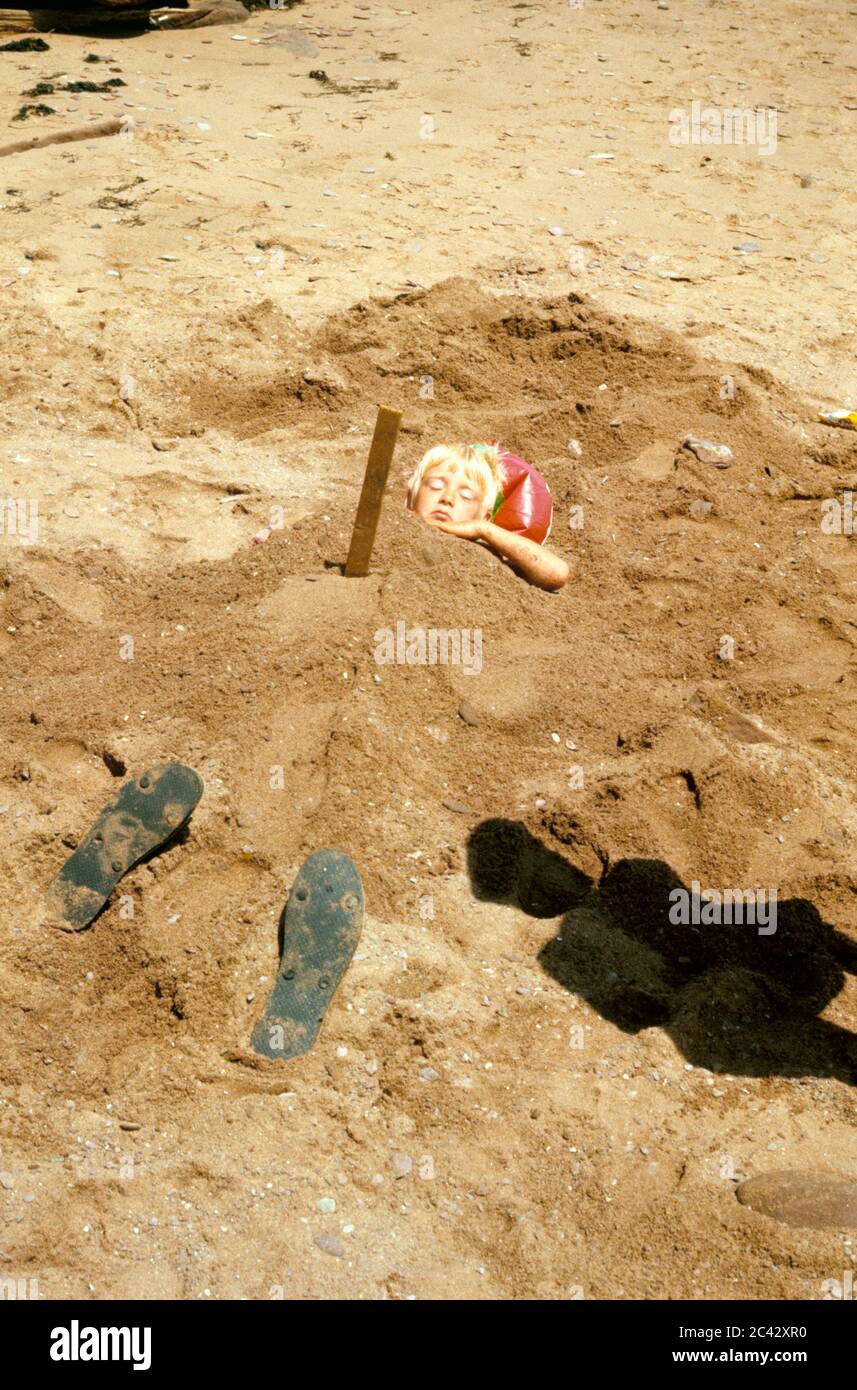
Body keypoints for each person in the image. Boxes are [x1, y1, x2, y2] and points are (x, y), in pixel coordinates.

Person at [406, 443, 569, 592]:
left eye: (466, 495)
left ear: (483, 515)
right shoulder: (392, 526)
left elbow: (558, 574)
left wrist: (483, 529)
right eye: (436, 486)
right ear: (412, 495)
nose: (447, 498)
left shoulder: (485, 551)